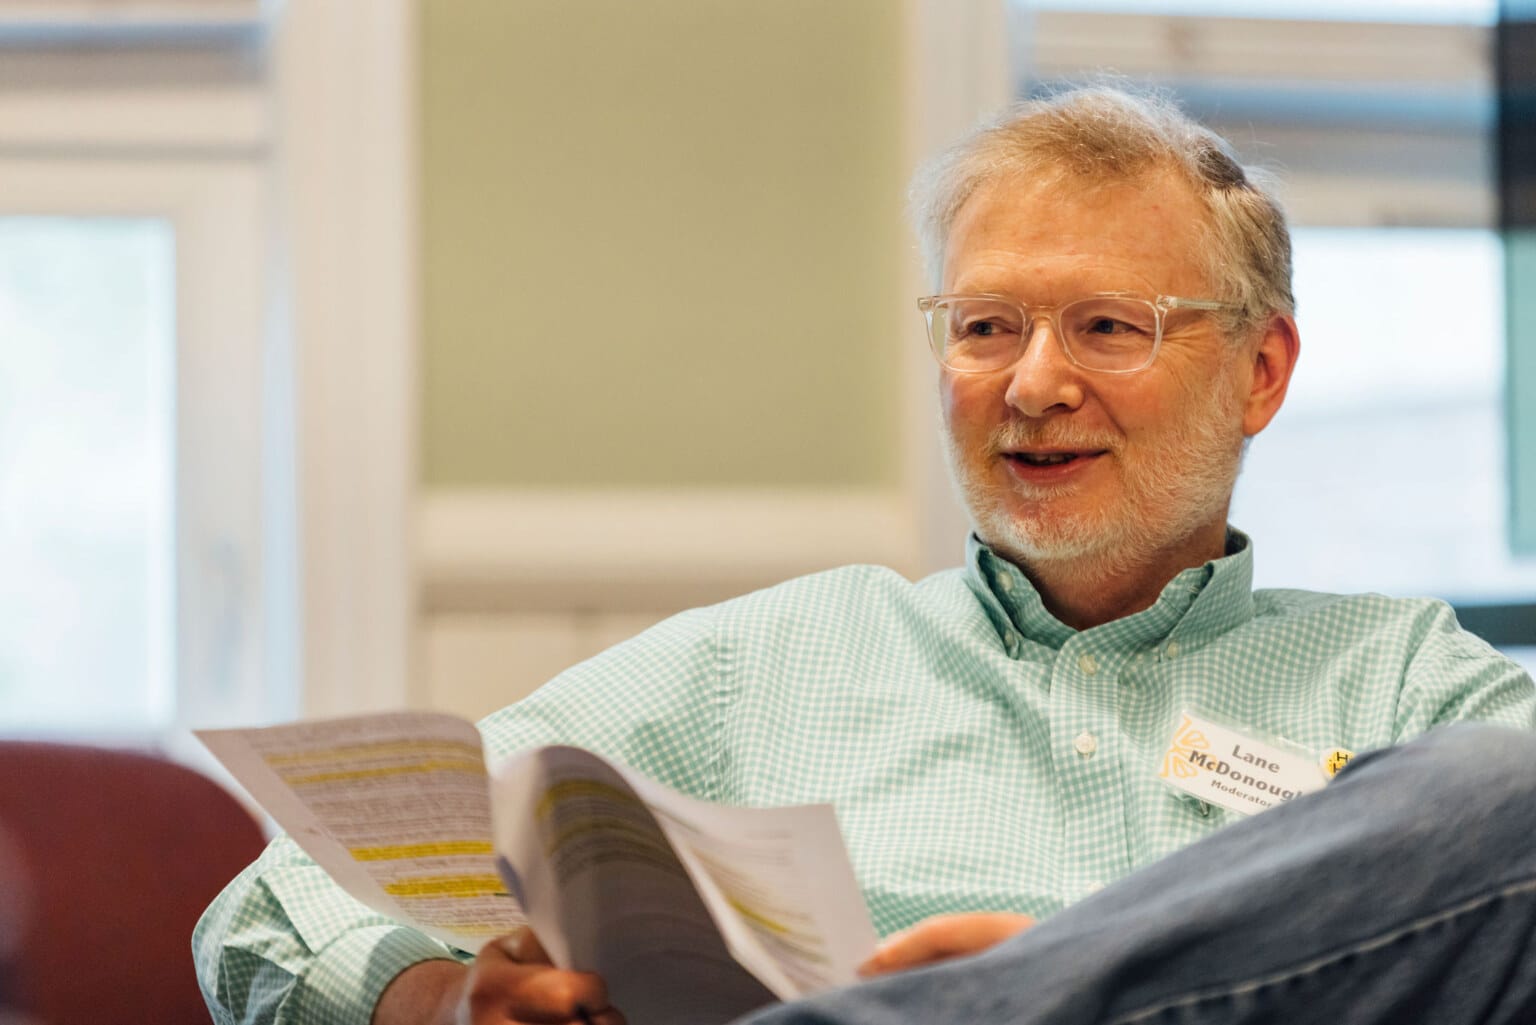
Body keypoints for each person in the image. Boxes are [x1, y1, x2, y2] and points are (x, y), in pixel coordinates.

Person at [194, 85, 1536, 1025]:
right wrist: (433, 999)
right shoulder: (769, 664)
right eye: (986, 326)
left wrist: (1059, 984)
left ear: (1260, 370)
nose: (1032, 385)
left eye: (1108, 328)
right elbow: (268, 908)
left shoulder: (1401, 684)